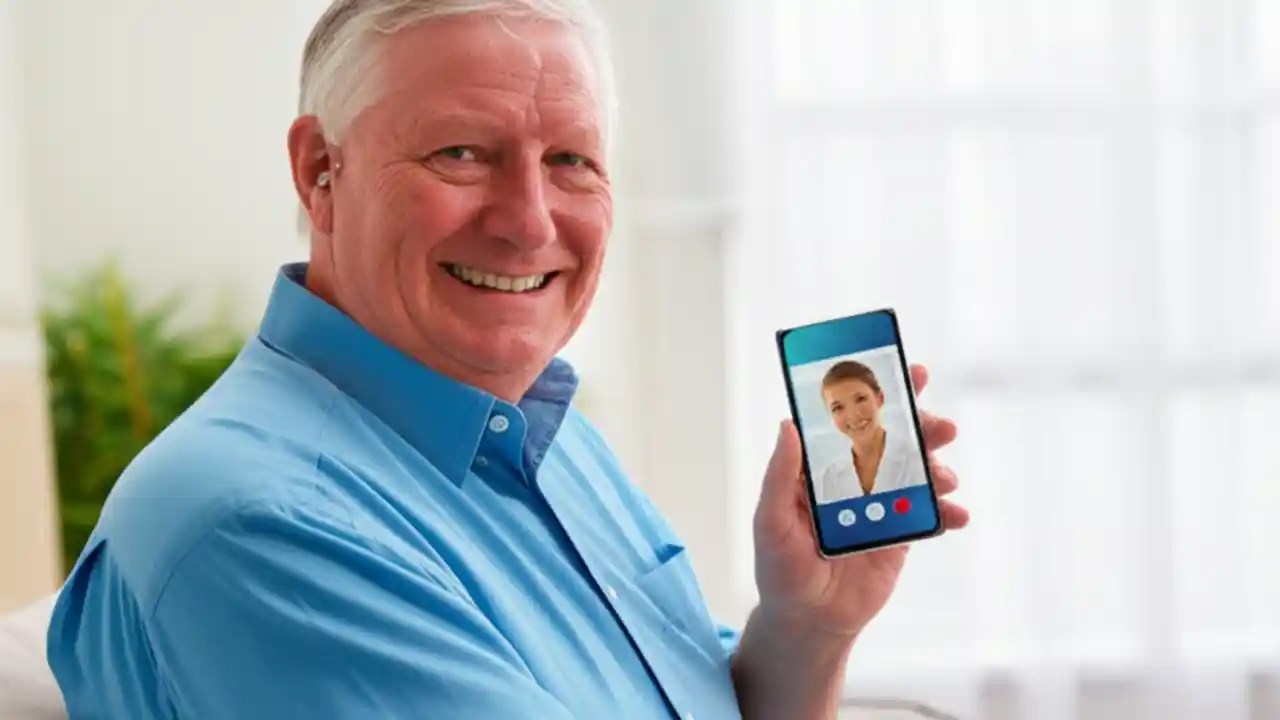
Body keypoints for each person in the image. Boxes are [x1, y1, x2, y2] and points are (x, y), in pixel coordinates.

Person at [45, 2, 970, 719]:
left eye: (571, 160)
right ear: (319, 169)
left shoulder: (546, 437)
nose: (529, 222)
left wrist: (809, 623)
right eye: (461, 153)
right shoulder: (255, 522)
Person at [816, 361, 928, 503]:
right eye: (837, 408)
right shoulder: (825, 480)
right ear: (830, 416)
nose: (853, 415)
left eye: (860, 399)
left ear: (879, 399)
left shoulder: (915, 459)